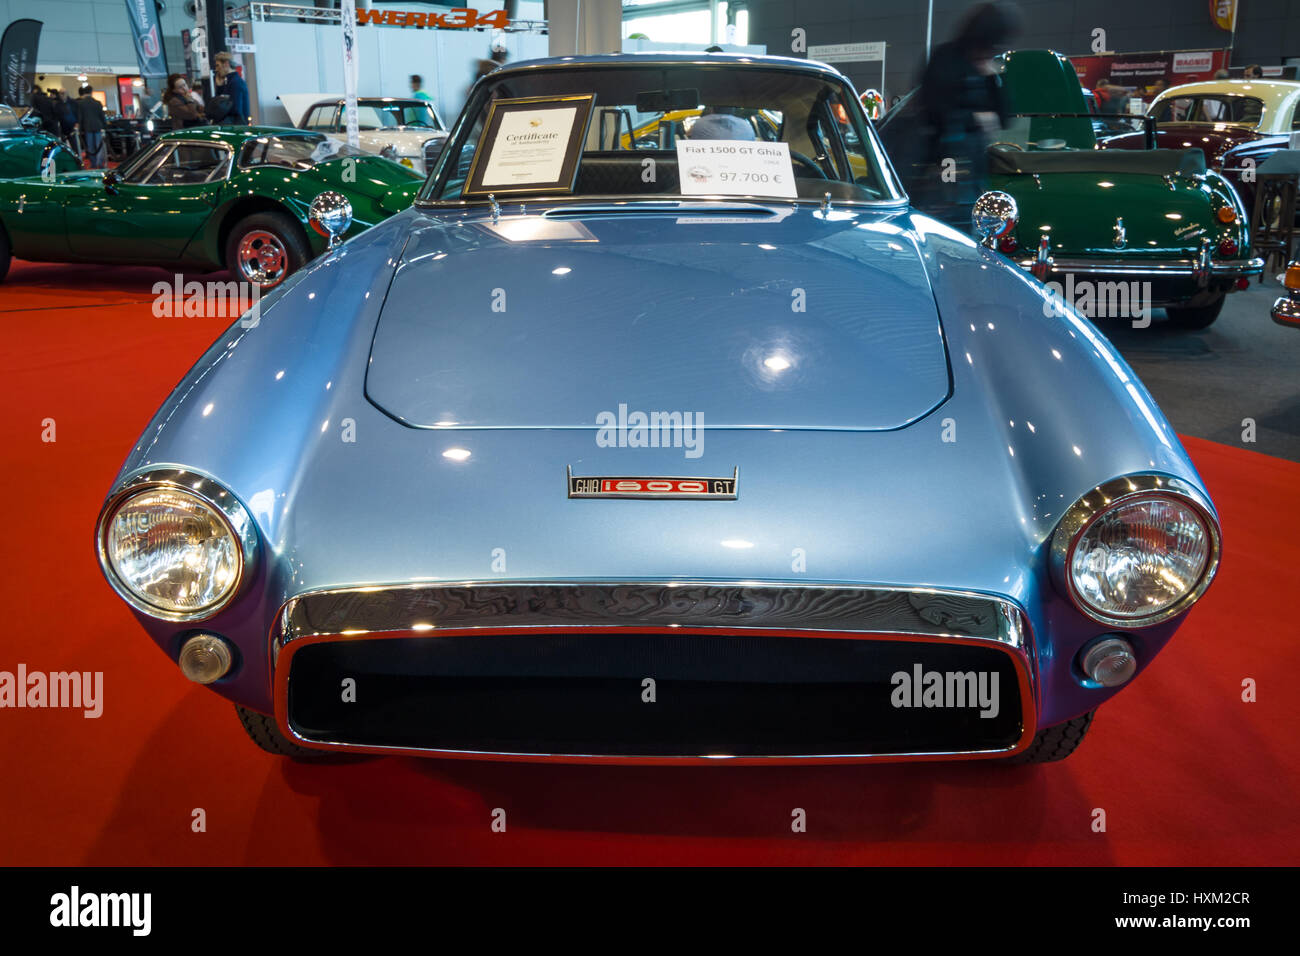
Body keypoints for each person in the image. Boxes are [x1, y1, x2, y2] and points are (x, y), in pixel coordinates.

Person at [917, 1, 1023, 219]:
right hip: (942, 164)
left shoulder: (986, 68)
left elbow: (1004, 117)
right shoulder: (946, 58)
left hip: (970, 168)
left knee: (964, 221)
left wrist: (992, 76)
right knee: (944, 222)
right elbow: (935, 111)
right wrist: (977, 118)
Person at [75, 84, 107, 169]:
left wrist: (80, 129)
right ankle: (100, 163)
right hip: (97, 126)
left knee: (90, 147)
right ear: (91, 92)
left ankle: (93, 163)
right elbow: (102, 116)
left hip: (87, 127)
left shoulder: (81, 103)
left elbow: (80, 117)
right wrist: (105, 125)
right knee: (99, 146)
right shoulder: (97, 103)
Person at [213, 52, 250, 124]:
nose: (216, 69)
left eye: (218, 65)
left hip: (236, 127)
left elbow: (235, 109)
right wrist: (219, 87)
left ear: (226, 63)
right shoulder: (229, 81)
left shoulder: (235, 82)